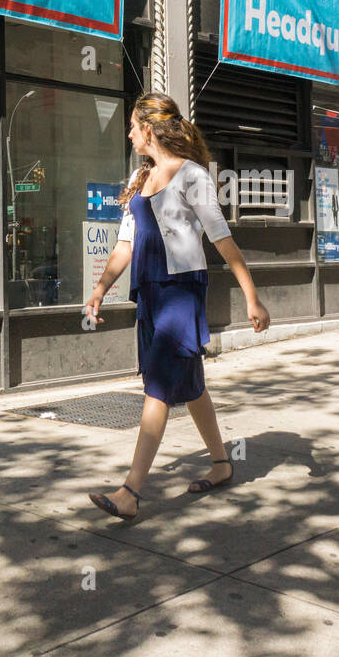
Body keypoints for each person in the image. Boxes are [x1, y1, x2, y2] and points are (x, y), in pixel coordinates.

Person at [84, 92, 271, 520]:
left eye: (132, 125)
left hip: (180, 290)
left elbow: (223, 239)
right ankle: (222, 463)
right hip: (149, 291)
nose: (129, 133)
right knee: (189, 383)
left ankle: (131, 491)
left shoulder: (192, 176)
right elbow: (124, 245)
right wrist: (100, 289)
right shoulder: (140, 177)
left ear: (148, 129)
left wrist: (252, 296)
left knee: (159, 387)